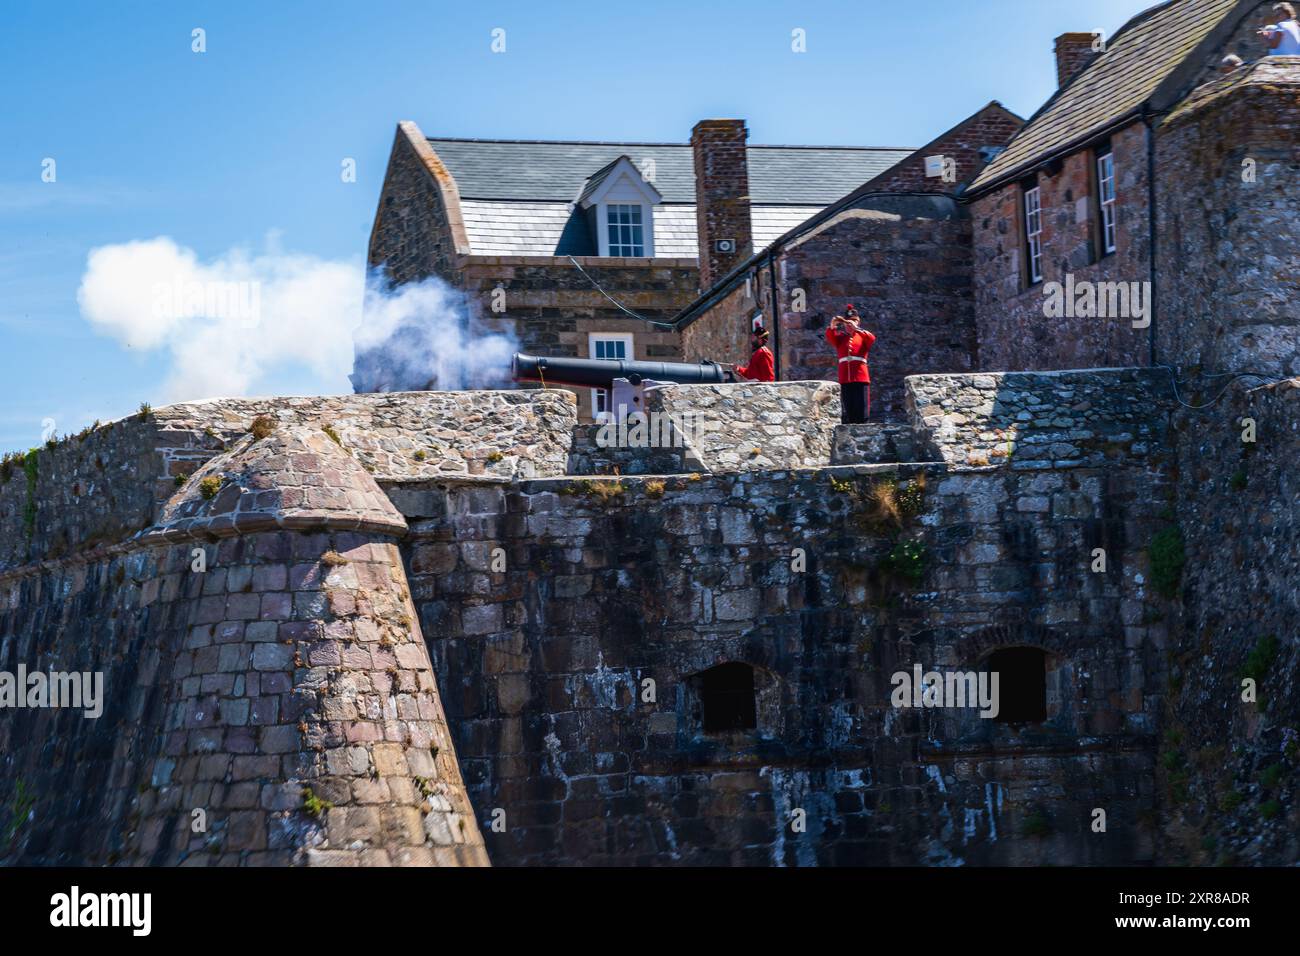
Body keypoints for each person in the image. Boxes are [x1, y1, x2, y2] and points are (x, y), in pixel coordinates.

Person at [825, 304, 876, 424]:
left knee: (861, 407)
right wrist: (833, 325)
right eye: (847, 322)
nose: (849, 324)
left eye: (853, 321)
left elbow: (872, 338)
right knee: (849, 407)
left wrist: (857, 328)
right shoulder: (841, 338)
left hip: (860, 377)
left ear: (858, 322)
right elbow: (830, 336)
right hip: (845, 377)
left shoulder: (863, 336)